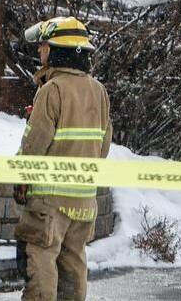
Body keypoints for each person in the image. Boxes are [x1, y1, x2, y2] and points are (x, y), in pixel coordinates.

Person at [13, 16, 112, 301]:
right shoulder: (99, 92)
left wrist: (21, 179)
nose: (40, 52)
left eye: (44, 46)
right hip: (83, 201)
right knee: (74, 267)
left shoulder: (52, 90)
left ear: (57, 50)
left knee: (42, 265)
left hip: (49, 203)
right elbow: (103, 148)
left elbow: (34, 145)